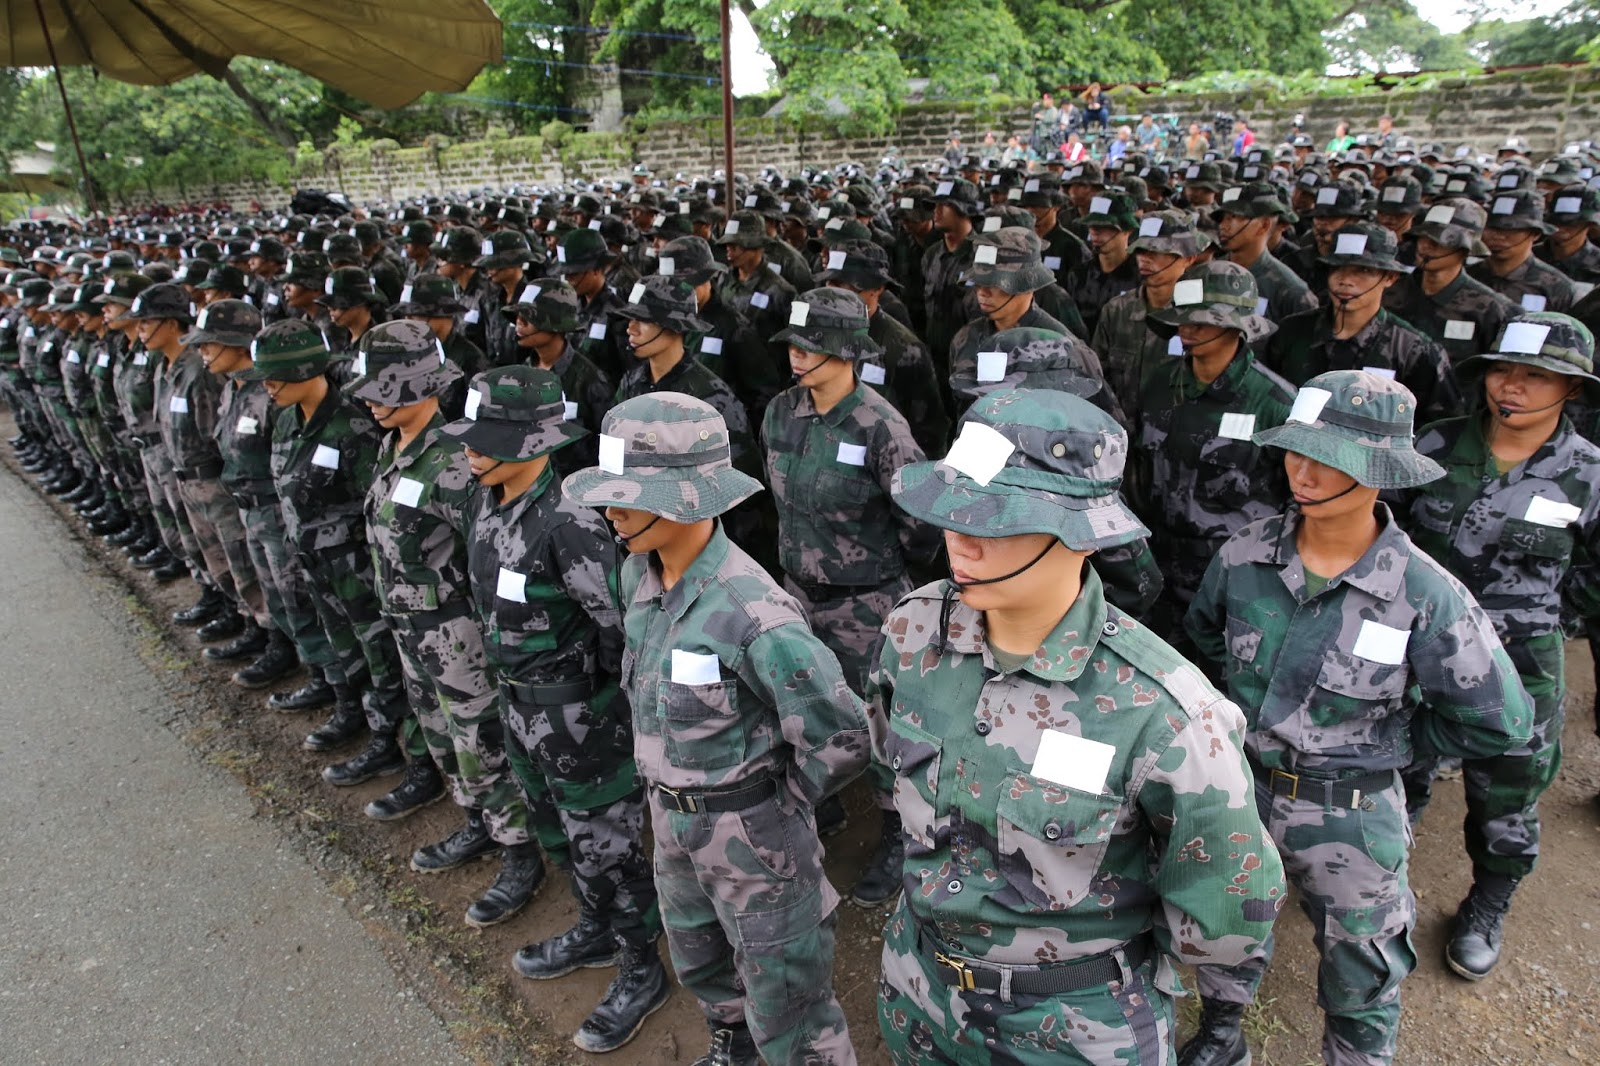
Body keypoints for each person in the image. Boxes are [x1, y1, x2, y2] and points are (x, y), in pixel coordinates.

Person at [870, 386, 1285, 1065]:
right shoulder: (915, 632)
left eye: (996, 517)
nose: (960, 537)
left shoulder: (1165, 712)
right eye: (954, 507)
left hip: (1071, 1033)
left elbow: (1228, 921)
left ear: (1080, 533)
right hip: (920, 994)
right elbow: (885, 761)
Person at [1180, 370, 1534, 1066]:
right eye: (1296, 449)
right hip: (1240, 792)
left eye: (1330, 456)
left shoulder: (1426, 595)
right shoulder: (1246, 553)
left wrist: (1395, 741)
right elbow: (1202, 640)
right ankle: (1222, 1033)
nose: (1303, 471)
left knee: (1362, 970)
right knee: (1226, 924)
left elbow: (1499, 720)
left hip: (1350, 811)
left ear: (1378, 471)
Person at [562, 393, 867, 1066]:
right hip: (673, 825)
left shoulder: (753, 613)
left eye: (629, 496)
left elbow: (841, 739)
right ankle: (735, 1047)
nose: (611, 511)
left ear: (688, 497)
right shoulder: (639, 576)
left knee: (790, 1006)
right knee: (702, 961)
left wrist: (768, 805)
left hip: (756, 841)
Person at [442, 366, 668, 1052]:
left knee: (610, 850)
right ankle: (595, 931)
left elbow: (621, 626)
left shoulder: (568, 521)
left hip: (581, 722)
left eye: (488, 437)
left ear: (534, 440)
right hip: (521, 713)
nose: (469, 449)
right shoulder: (487, 501)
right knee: (560, 838)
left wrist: (596, 707)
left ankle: (640, 968)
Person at [1401, 313, 1600, 980]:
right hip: (1416, 650)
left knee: (1506, 792)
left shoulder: (1587, 474)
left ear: (1571, 389)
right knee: (1397, 768)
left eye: (1535, 376)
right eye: (1502, 370)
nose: (1510, 387)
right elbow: (1387, 532)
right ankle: (1379, 879)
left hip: (1520, 662)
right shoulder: (1434, 444)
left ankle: (1489, 900)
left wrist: (1552, 616)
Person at [347, 321, 548, 927]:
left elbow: (488, 557)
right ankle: (477, 823)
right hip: (413, 631)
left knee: (482, 741)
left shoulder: (454, 461)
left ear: (417, 385)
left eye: (382, 388)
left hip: (458, 635)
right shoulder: (397, 444)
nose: (369, 400)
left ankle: (519, 852)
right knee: (440, 733)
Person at [762, 288, 942, 907]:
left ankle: (899, 829)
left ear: (846, 351)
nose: (796, 357)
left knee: (882, 722)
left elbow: (920, 524)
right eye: (793, 343)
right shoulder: (782, 412)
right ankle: (827, 799)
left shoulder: (880, 426)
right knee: (807, 705)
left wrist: (893, 590)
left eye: (810, 346)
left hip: (867, 604)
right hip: (797, 596)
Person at [1134, 261, 1293, 644]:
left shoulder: (1275, 404)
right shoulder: (1159, 384)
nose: (1187, 329)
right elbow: (1138, 471)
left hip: (1231, 578)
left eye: (1202, 321)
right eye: (1182, 320)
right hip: (1156, 573)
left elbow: (1296, 500)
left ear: (1236, 327)